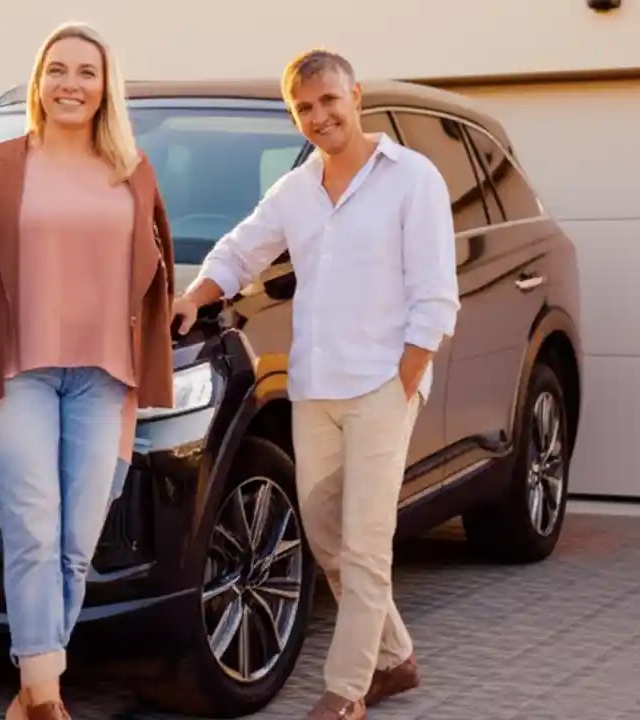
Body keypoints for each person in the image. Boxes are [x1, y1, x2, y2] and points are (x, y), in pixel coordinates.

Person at [172, 49, 459, 720]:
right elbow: (241, 250)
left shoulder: (411, 179)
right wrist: (195, 296)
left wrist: (407, 374)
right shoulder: (296, 190)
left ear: (355, 95)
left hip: (381, 388)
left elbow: (436, 294)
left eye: (329, 100)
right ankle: (396, 658)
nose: (319, 116)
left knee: (363, 540)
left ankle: (347, 690)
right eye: (304, 108)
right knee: (327, 538)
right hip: (316, 389)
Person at [0, 21, 176, 720]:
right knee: (35, 529)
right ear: (40, 83)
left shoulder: (133, 170)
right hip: (19, 377)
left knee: (76, 543)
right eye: (58, 70)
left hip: (104, 377)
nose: (72, 84)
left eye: (87, 72)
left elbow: (157, 277)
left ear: (107, 89)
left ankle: (30, 692)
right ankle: (47, 697)